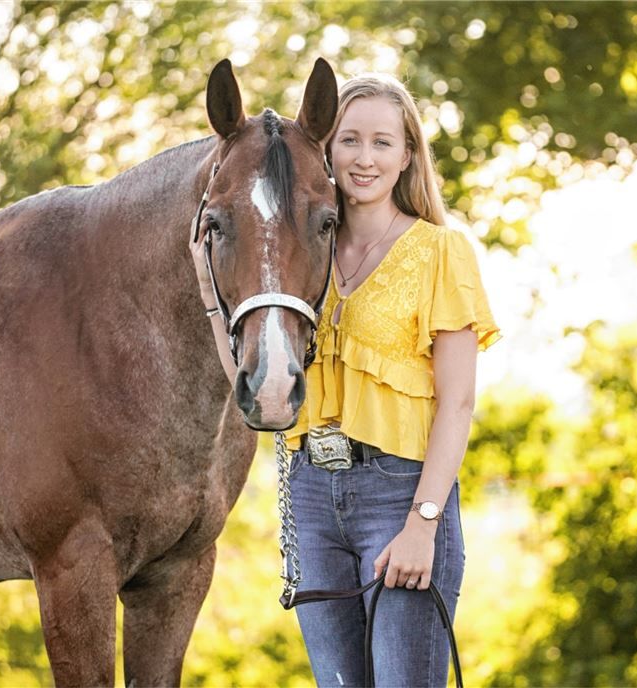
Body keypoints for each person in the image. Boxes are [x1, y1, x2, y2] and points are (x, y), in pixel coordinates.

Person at [192, 73, 499, 687]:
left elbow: (458, 403)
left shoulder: (441, 253)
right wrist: (208, 295)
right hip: (311, 495)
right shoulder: (301, 257)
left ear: (407, 155)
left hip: (401, 493)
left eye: (382, 143)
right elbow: (256, 395)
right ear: (327, 149)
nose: (364, 158)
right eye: (351, 140)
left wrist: (423, 526)